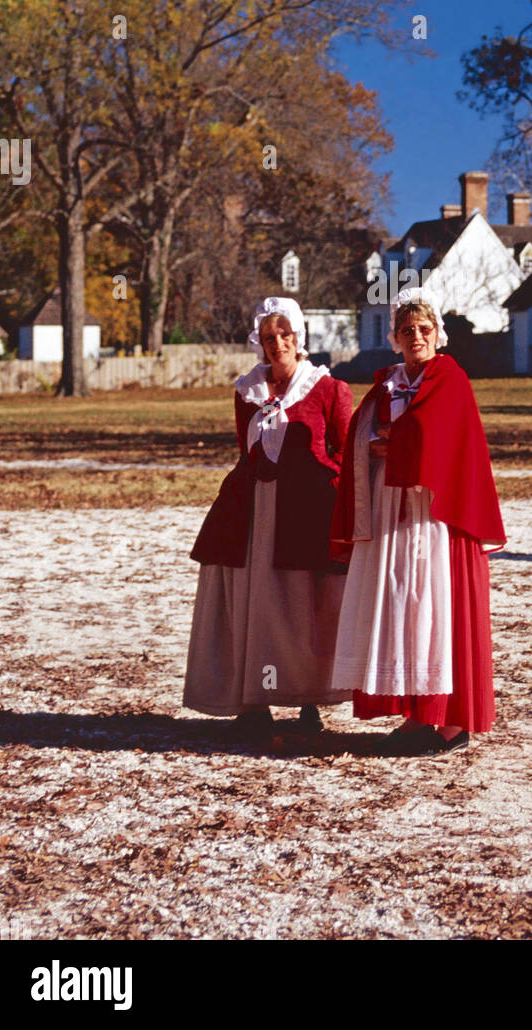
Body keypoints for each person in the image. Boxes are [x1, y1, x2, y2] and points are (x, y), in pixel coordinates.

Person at [330, 288, 505, 756]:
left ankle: (448, 720)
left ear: (437, 333)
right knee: (398, 606)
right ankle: (412, 714)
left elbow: (438, 438)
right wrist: (377, 441)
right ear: (395, 335)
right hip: (391, 506)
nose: (416, 337)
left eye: (424, 329)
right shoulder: (387, 381)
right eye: (407, 330)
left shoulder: (449, 377)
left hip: (432, 512)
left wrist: (394, 440)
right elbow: (361, 432)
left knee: (431, 607)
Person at [183, 297, 354, 737]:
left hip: (307, 511)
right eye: (268, 337)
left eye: (284, 335)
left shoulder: (329, 389)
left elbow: (345, 453)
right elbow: (246, 449)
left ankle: (308, 698)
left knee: (302, 606)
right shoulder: (247, 391)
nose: (277, 343)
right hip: (251, 511)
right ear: (259, 342)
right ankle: (253, 699)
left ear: (299, 338)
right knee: (253, 602)